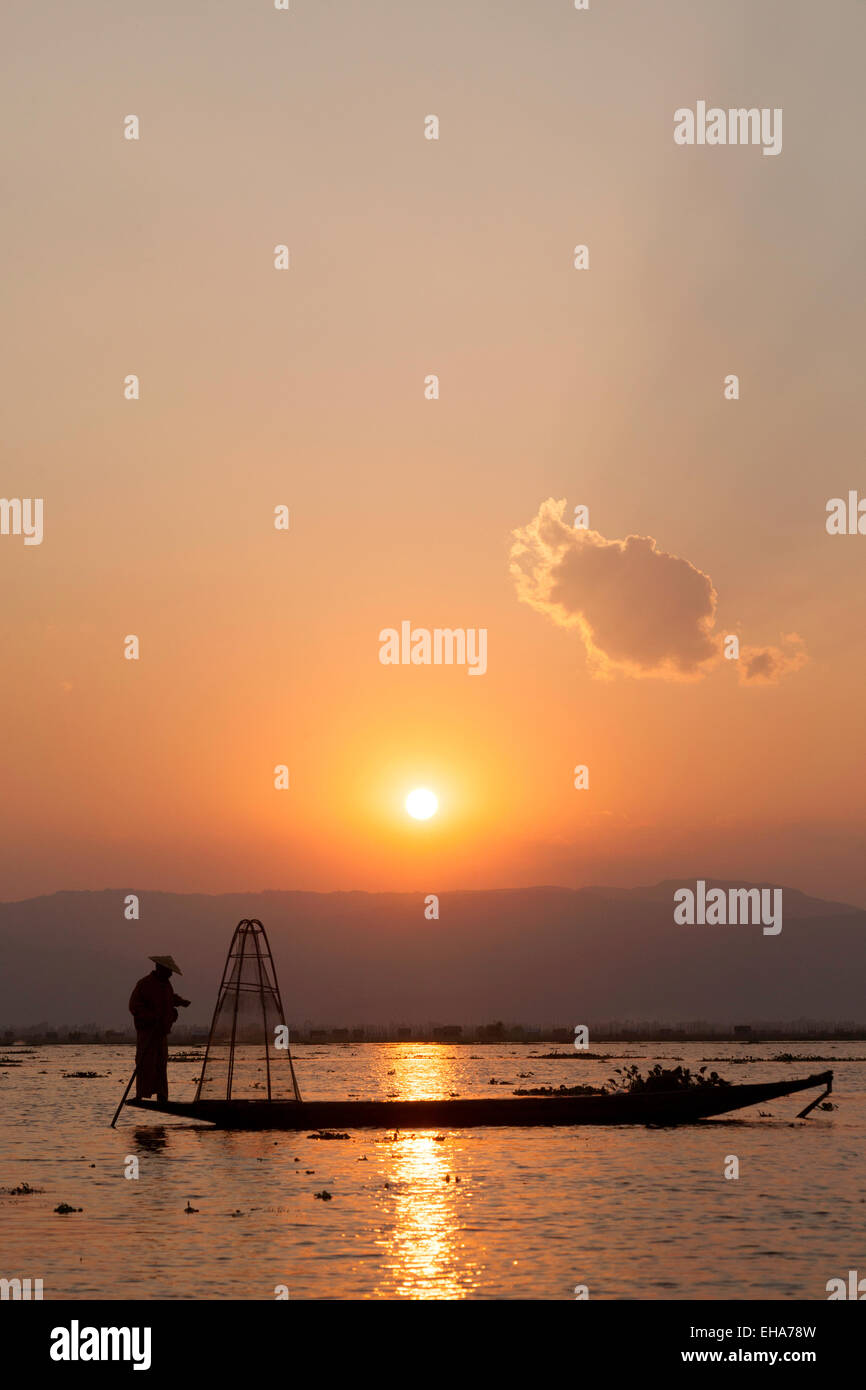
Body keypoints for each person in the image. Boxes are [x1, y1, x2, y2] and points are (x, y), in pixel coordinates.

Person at [128, 955, 190, 1102]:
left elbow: (169, 999)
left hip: (161, 1033)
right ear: (160, 969)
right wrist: (151, 1017)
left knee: (161, 1064)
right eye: (169, 971)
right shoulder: (144, 984)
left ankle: (162, 1095)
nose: (170, 974)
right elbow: (134, 1006)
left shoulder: (166, 985)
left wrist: (180, 1002)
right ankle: (140, 1095)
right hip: (147, 1032)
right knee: (145, 1063)